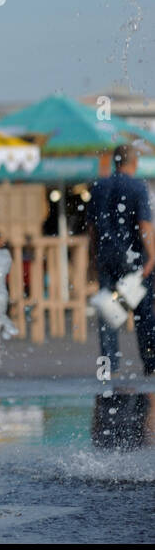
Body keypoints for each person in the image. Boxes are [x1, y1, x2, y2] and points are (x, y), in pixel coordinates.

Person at [86, 144, 155, 378]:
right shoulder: (138, 187)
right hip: (134, 257)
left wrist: (93, 257)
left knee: (108, 311)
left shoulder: (98, 186)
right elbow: (144, 225)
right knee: (143, 312)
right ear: (134, 163)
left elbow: (92, 228)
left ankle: (109, 368)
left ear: (115, 162)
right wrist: (152, 255)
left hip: (106, 255)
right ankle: (151, 363)